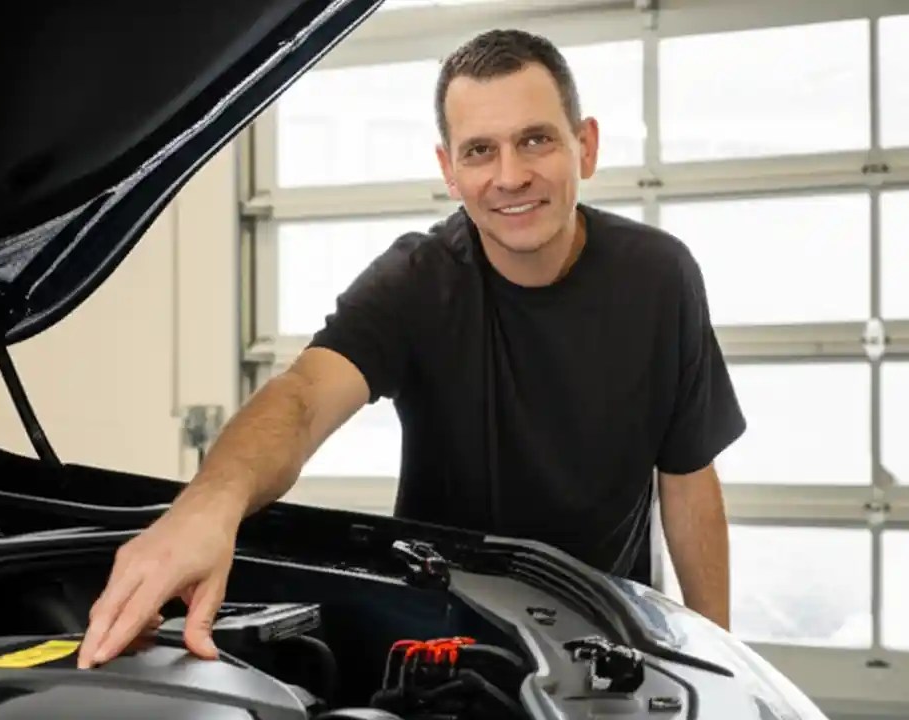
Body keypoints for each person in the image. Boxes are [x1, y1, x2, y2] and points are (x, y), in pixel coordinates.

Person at [76, 28, 745, 670]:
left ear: (585, 145)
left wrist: (718, 659)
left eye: (535, 140)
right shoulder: (418, 282)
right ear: (449, 171)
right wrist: (208, 505)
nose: (510, 175)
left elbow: (687, 478)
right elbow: (304, 398)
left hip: (600, 644)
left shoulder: (661, 278)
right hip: (446, 639)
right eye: (480, 151)